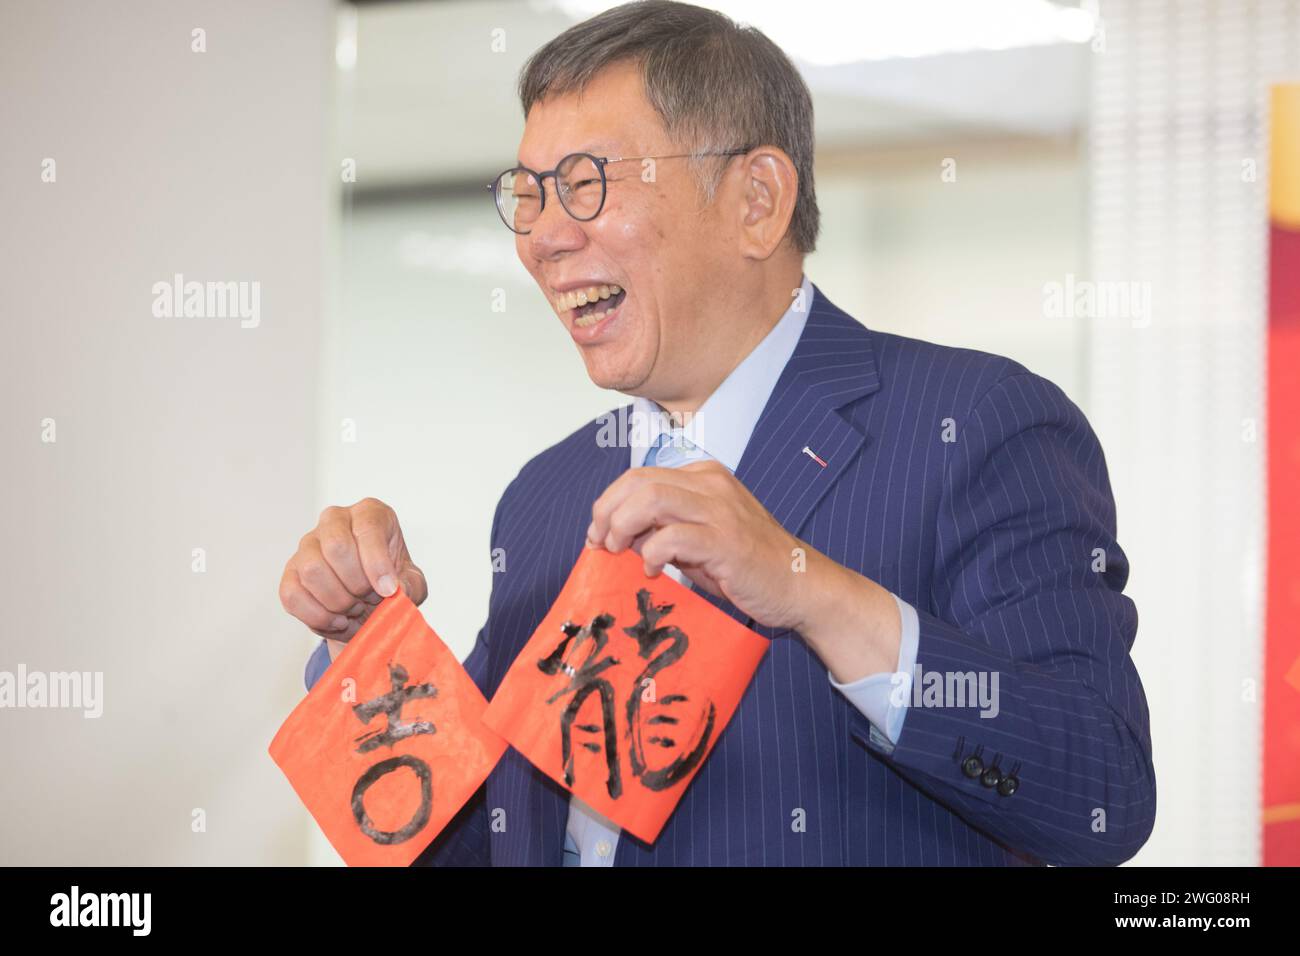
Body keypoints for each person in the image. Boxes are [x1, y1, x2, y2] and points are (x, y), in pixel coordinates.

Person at [278, 0, 1155, 866]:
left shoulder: (977, 426)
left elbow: (1101, 798)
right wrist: (366, 649)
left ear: (757, 201)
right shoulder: (547, 495)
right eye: (530, 194)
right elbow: (475, 850)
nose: (543, 237)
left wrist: (807, 588)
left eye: (585, 182)